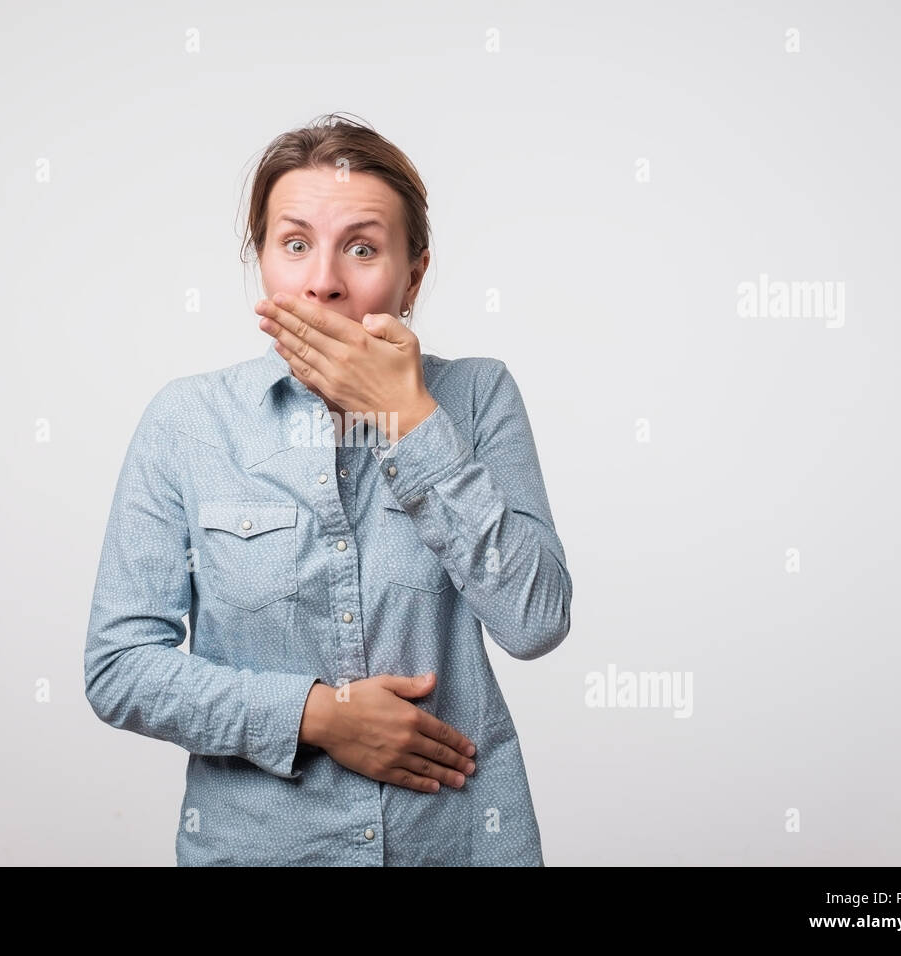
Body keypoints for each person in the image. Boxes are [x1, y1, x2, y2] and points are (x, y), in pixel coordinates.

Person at [84, 112, 574, 866]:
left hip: (459, 843)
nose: (323, 282)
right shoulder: (187, 421)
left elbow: (535, 619)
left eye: (363, 248)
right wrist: (316, 715)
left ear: (414, 273)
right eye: (296, 244)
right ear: (263, 262)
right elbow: (119, 667)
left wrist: (407, 417)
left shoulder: (478, 397)